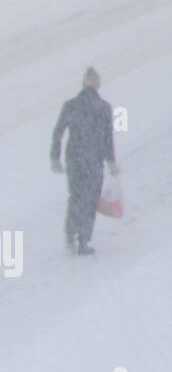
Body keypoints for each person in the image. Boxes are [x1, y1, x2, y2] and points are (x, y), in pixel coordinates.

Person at [51, 67, 119, 255]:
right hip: (93, 161)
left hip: (74, 159)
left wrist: (55, 158)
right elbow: (108, 137)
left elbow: (58, 131)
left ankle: (70, 233)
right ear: (98, 85)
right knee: (89, 200)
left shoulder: (71, 105)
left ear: (83, 84)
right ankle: (83, 240)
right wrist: (111, 161)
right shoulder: (103, 108)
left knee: (75, 197)